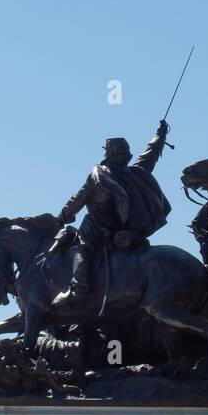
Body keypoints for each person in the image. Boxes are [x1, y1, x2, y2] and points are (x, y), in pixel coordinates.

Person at [51, 119, 172, 311]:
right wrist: (161, 135)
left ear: (109, 153)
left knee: (78, 249)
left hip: (100, 232)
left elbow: (77, 200)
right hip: (130, 234)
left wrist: (60, 218)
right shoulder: (137, 172)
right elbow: (151, 154)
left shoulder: (99, 175)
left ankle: (79, 288)